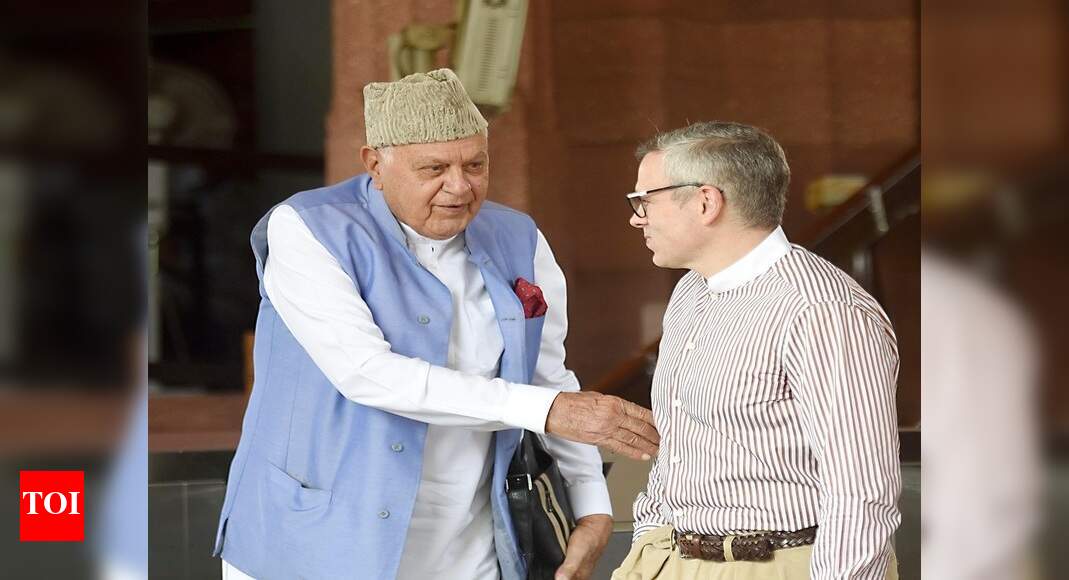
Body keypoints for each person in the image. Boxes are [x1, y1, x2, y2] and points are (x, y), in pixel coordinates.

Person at [213, 69, 659, 580]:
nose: (460, 186)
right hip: (315, 542)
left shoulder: (520, 238)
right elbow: (367, 373)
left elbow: (549, 378)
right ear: (375, 164)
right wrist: (546, 410)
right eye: (434, 168)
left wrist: (591, 505)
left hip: (470, 545)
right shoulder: (307, 229)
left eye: (475, 165)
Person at [612, 121, 901, 580]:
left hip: (783, 564)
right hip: (671, 560)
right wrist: (651, 539)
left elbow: (861, 491)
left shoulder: (822, 310)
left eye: (645, 200)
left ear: (706, 202)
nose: (636, 217)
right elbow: (681, 447)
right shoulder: (690, 291)